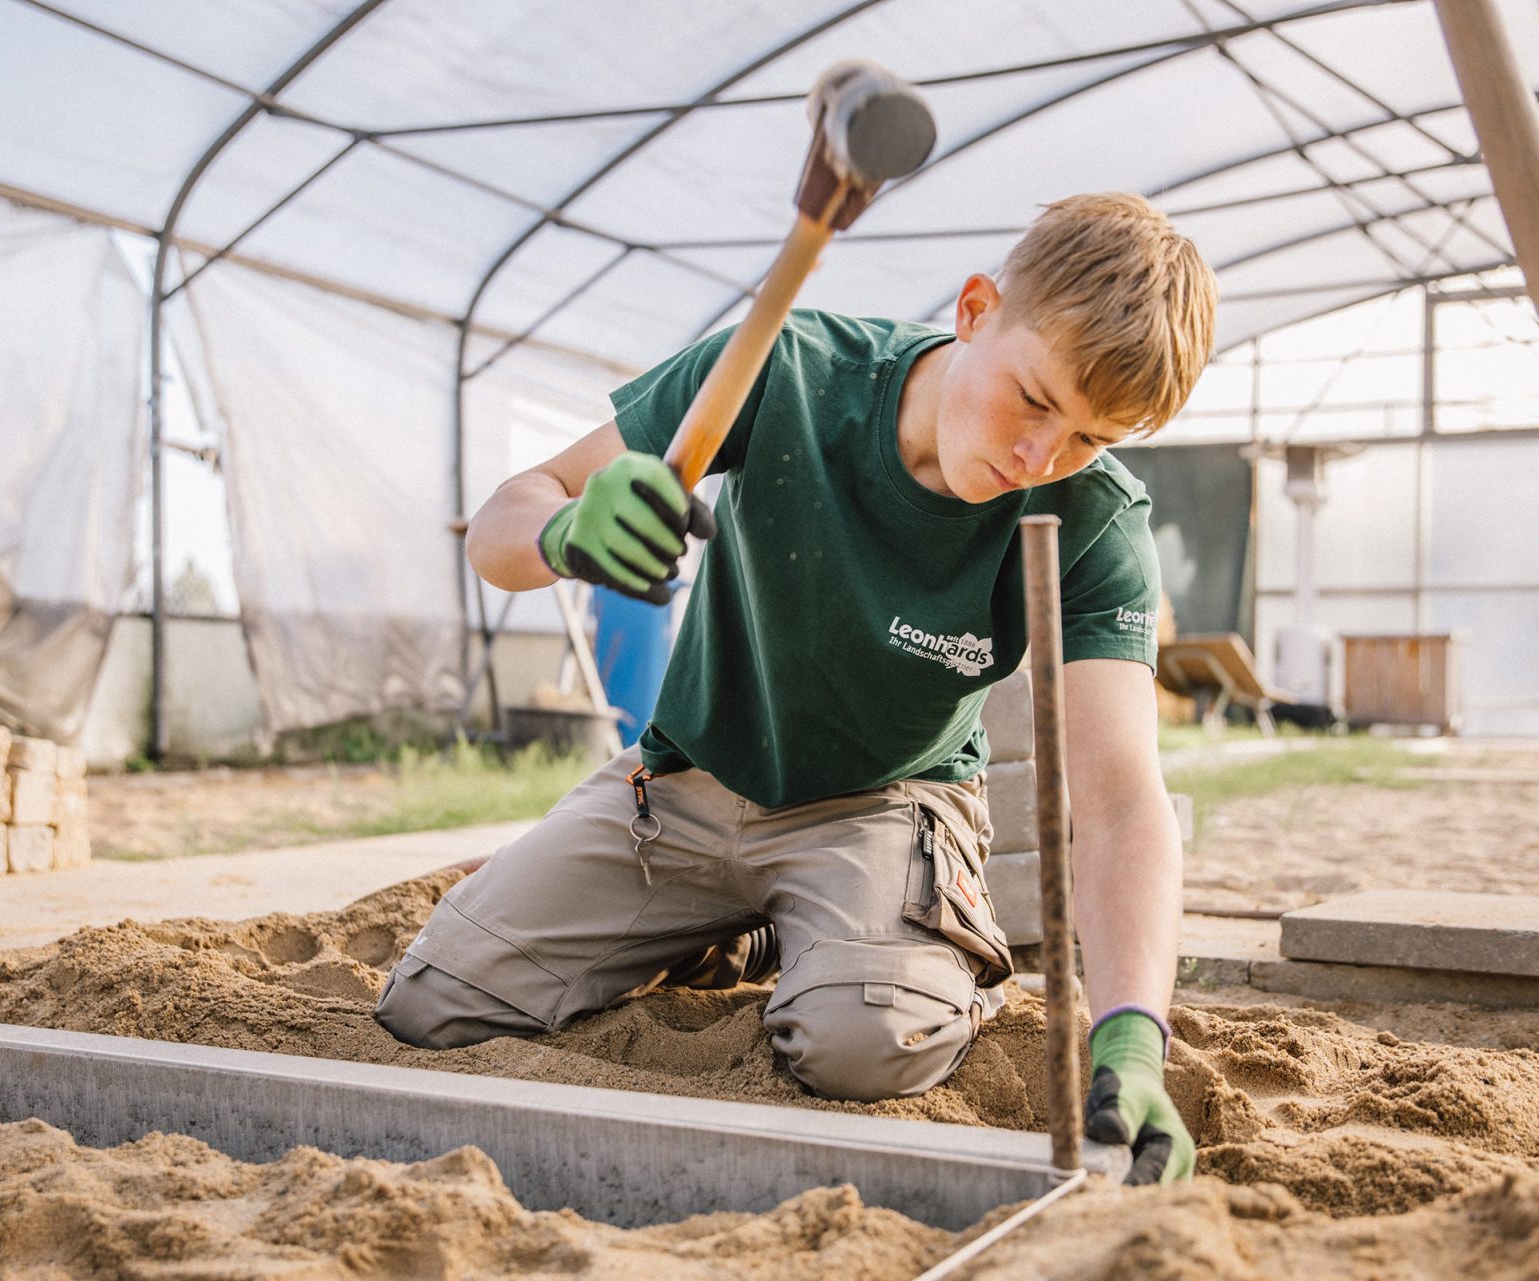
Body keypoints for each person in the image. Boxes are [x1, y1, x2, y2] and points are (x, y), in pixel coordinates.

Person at [376, 192, 1216, 1185]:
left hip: (881, 806)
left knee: (862, 1044)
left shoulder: (1095, 520)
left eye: (1089, 436)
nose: (1042, 458)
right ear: (977, 309)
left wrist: (1131, 1038)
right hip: (683, 788)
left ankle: (901, 950)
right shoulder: (789, 371)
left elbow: (1121, 800)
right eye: (1034, 400)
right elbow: (505, 522)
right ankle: (743, 933)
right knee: (433, 1003)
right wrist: (565, 532)